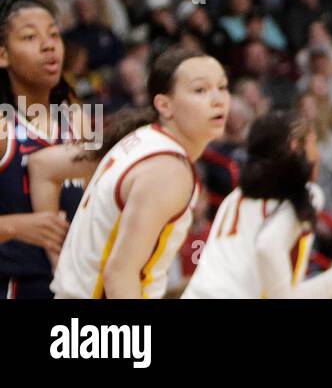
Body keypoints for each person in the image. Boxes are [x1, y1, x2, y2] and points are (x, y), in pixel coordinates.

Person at [32, 45, 229, 298]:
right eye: (200, 90)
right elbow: (119, 275)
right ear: (164, 105)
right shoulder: (167, 168)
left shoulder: (142, 138)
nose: (218, 99)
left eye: (222, 87)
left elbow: (43, 165)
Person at [183, 111, 332, 298]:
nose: (319, 153)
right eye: (313, 142)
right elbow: (268, 247)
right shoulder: (306, 193)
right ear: (296, 146)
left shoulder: (236, 198)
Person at [0, 0, 90, 298]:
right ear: (3, 55)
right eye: (30, 36)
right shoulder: (3, 128)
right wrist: (14, 226)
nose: (48, 44)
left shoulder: (78, 120)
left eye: (54, 34)